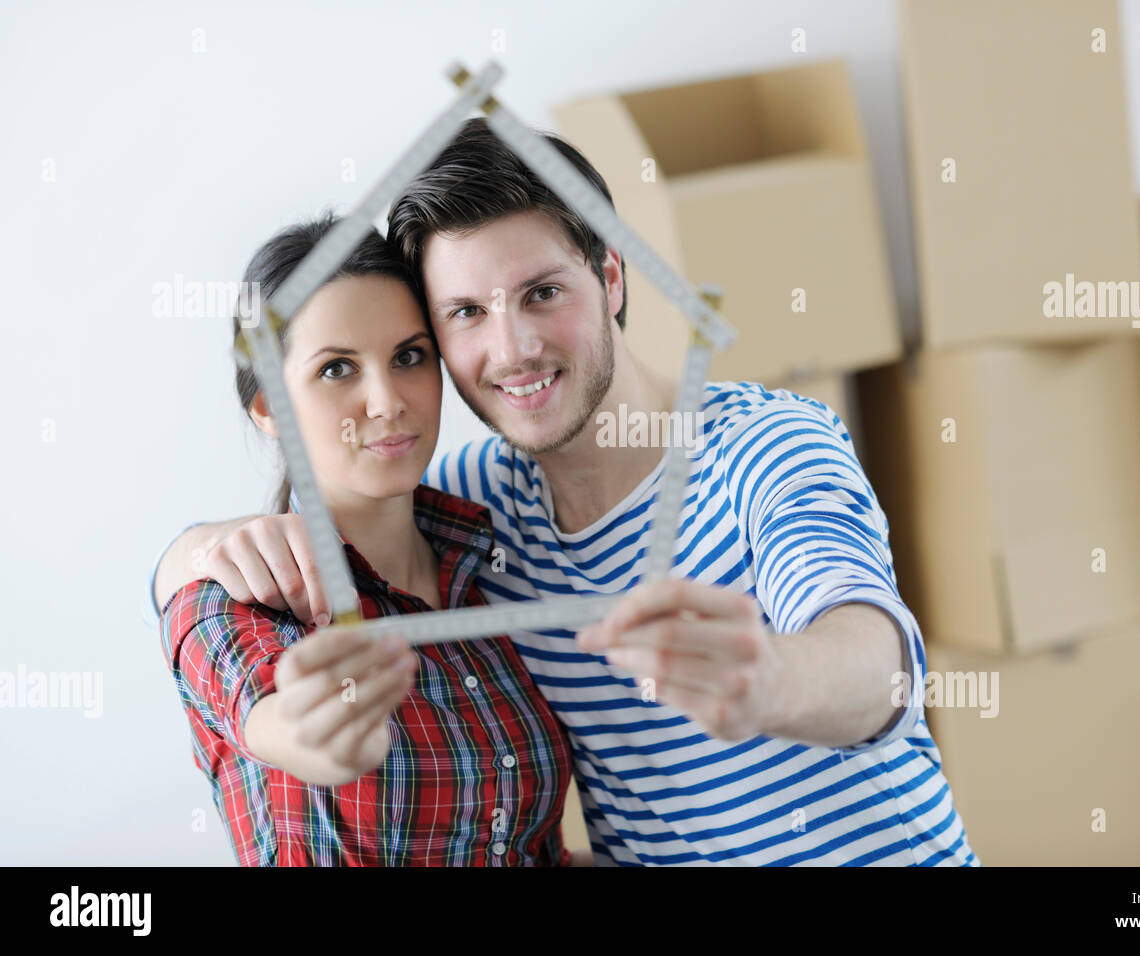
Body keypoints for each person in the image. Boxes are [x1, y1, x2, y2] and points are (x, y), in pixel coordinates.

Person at [149, 120, 979, 866]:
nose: (512, 349)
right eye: (467, 313)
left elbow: (880, 663)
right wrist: (195, 553)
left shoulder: (767, 447)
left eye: (541, 293)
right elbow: (241, 602)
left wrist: (771, 681)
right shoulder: (477, 519)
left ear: (611, 277)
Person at [158, 213, 573, 866]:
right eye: (336, 370)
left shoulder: (489, 556)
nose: (387, 401)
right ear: (268, 406)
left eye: (409, 357)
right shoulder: (231, 597)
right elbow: (278, 720)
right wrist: (319, 731)